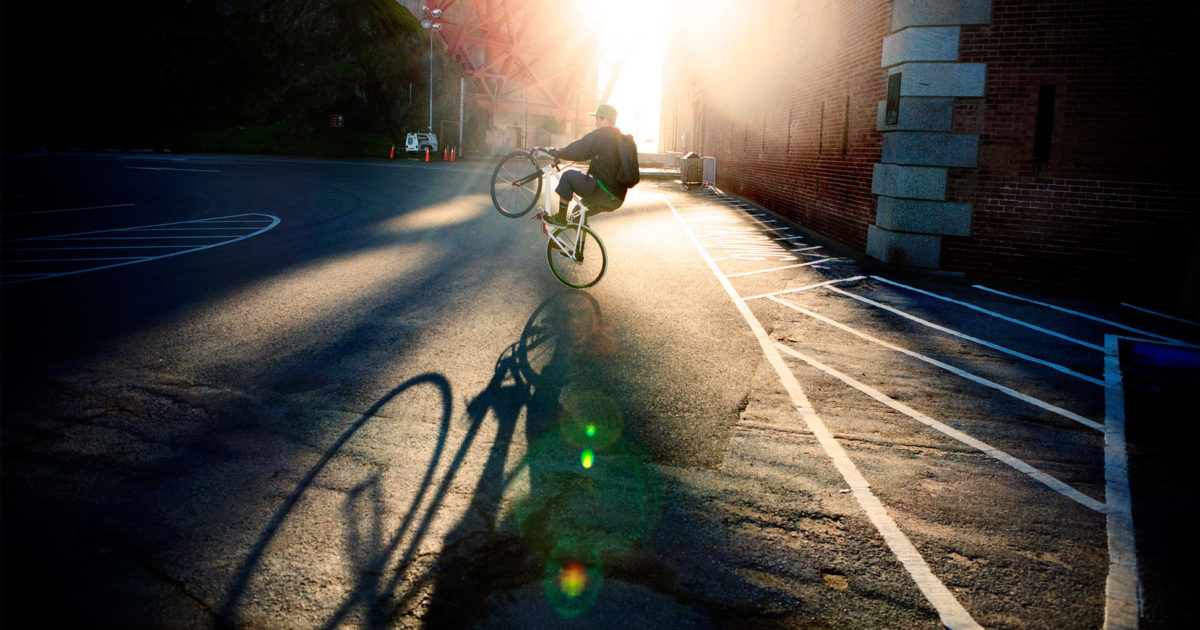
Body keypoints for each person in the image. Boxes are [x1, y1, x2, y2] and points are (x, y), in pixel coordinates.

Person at [540, 103, 627, 226]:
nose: (595, 123)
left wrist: (556, 152)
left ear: (606, 121)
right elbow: (587, 154)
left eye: (598, 119)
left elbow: (578, 149)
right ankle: (579, 246)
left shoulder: (600, 136)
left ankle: (560, 219)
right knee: (578, 213)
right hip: (616, 197)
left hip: (604, 191)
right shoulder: (620, 138)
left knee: (568, 176)